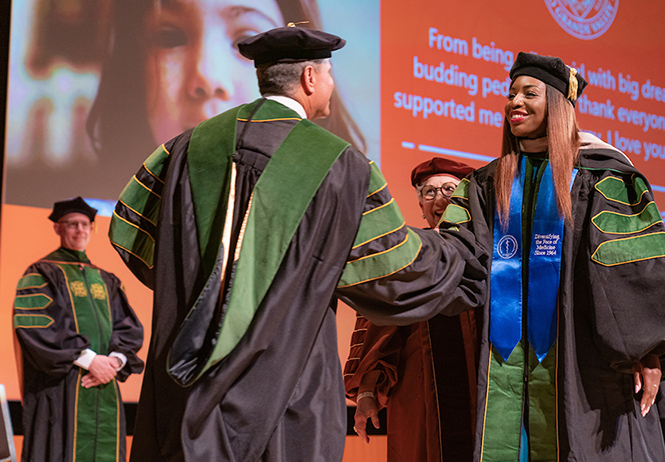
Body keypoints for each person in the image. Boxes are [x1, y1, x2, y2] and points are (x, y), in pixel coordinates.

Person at [108, 26, 484, 461]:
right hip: (286, 387)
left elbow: (129, 232)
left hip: (184, 379)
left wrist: (202, 288)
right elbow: (393, 273)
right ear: (310, 78)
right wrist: (463, 250)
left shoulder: (185, 146)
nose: (330, 86)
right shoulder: (341, 165)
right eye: (328, 75)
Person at [436, 52, 665, 461]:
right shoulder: (486, 184)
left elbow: (635, 275)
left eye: (529, 92)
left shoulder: (603, 177)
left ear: (559, 104)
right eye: (511, 94)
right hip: (508, 372)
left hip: (582, 364)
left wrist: (652, 351)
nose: (514, 102)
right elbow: (459, 258)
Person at [84, 0, 366, 198]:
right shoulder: (141, 195)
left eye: (245, 38)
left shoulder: (341, 173)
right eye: (170, 37)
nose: (207, 78)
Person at [344, 157, 478, 461]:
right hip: (419, 396)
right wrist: (366, 393)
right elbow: (375, 331)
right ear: (420, 205)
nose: (439, 198)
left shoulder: (488, 256)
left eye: (449, 190)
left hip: (482, 397)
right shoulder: (407, 255)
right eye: (429, 192)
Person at [12, 197, 144, 462]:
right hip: (62, 386)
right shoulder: (42, 273)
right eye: (72, 224)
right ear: (58, 228)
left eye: (85, 224)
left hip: (104, 383)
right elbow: (38, 327)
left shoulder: (107, 279)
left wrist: (114, 362)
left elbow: (128, 329)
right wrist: (90, 360)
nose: (80, 230)